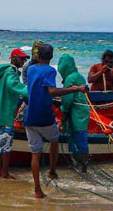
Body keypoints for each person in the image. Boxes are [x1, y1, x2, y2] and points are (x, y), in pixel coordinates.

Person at [23, 43, 89, 198]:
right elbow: (51, 91)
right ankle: (52, 171)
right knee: (54, 140)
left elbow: (38, 88)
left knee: (35, 155)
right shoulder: (50, 71)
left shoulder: (31, 69)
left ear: (37, 56)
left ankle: (37, 190)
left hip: (30, 116)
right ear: (51, 57)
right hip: (44, 116)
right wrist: (76, 89)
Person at [0, 47, 29, 179]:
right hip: (4, 112)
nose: (23, 61)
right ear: (14, 58)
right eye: (21, 58)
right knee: (6, 144)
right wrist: (34, 92)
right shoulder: (11, 72)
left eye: (25, 59)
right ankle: (5, 173)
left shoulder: (2, 71)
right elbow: (13, 85)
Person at [57, 53, 91, 172]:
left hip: (75, 114)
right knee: (82, 139)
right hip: (83, 112)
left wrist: (63, 111)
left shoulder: (70, 79)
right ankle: (84, 165)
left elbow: (67, 100)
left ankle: (78, 165)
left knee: (76, 140)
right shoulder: (79, 76)